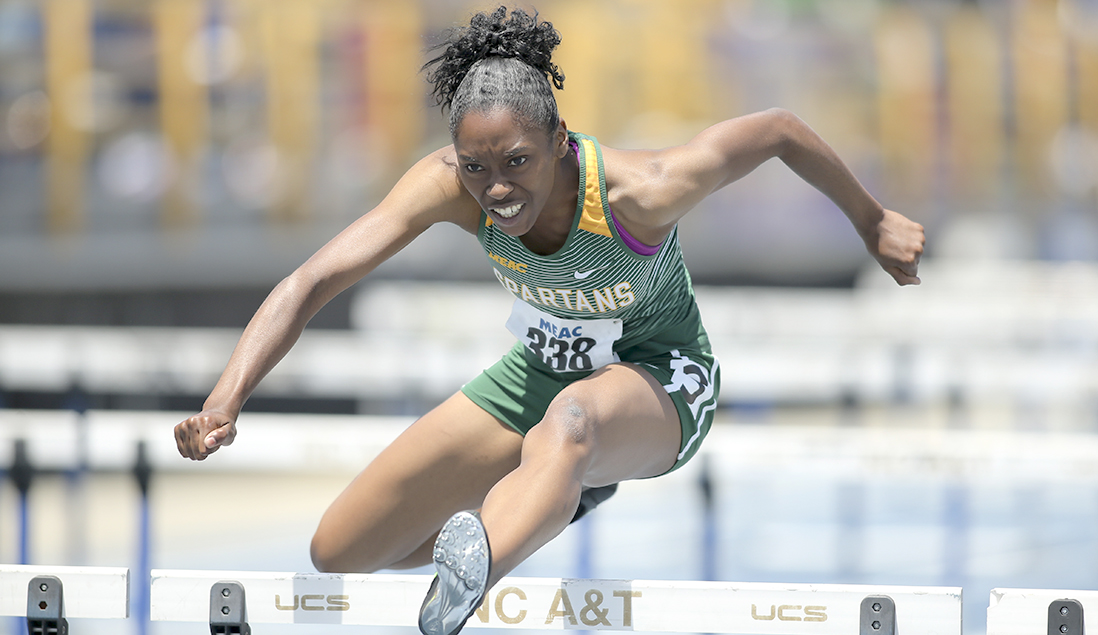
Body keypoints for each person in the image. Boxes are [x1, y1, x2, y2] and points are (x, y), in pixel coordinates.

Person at [173, 6, 925, 635]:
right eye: (476, 167)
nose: (497, 190)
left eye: (518, 164)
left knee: (569, 425)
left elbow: (779, 128)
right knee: (339, 550)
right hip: (542, 368)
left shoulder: (641, 191)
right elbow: (314, 278)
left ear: (560, 140)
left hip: (663, 382)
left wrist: (873, 219)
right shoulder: (450, 187)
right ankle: (561, 493)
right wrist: (224, 399)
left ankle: (472, 582)